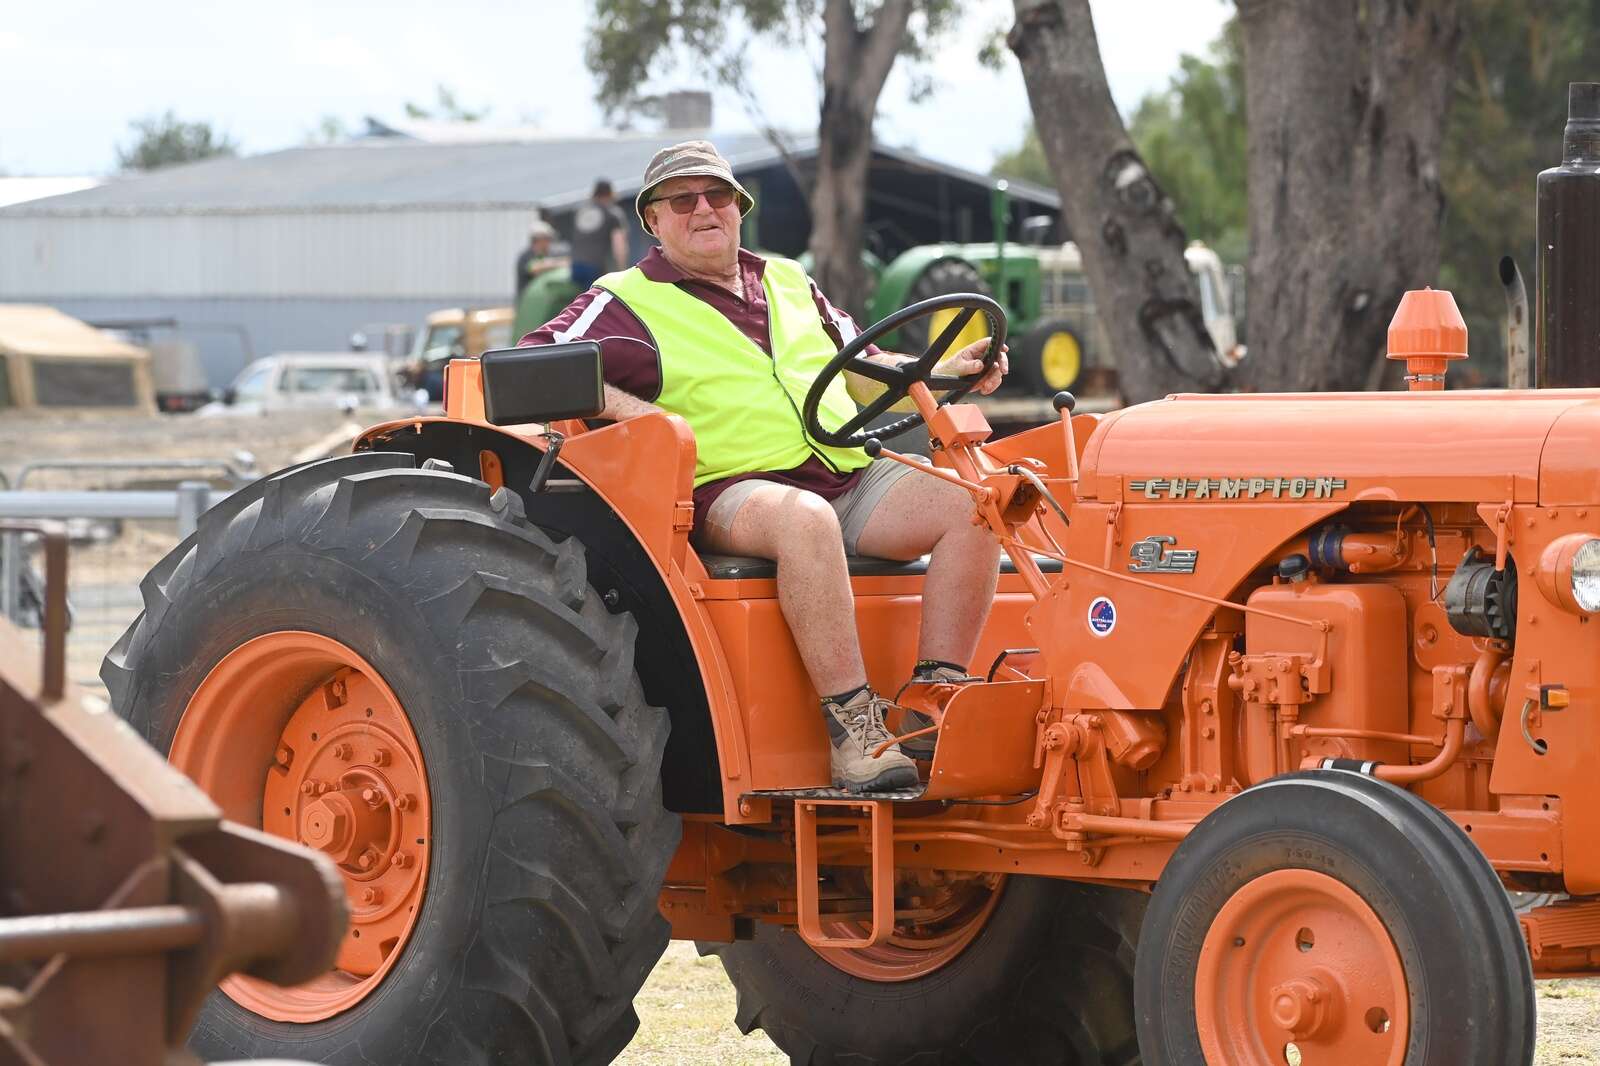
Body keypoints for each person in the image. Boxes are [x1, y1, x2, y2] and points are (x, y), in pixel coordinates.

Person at [522, 141, 1007, 794]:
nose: (703, 210)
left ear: (739, 209)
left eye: (717, 196)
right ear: (653, 221)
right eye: (682, 199)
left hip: (845, 472)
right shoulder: (623, 301)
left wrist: (947, 371)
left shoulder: (789, 283)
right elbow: (532, 360)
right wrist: (635, 410)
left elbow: (860, 371)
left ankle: (935, 701)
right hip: (730, 490)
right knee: (805, 521)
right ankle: (855, 731)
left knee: (978, 498)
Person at [569, 180, 629, 289]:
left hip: (575, 266)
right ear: (610, 194)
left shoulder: (581, 211)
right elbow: (619, 245)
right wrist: (622, 270)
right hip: (594, 266)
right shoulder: (613, 213)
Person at [514, 219, 563, 301]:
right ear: (538, 240)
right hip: (526, 303)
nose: (549, 242)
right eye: (547, 239)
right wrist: (559, 263)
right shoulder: (526, 256)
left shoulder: (546, 255)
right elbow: (535, 268)